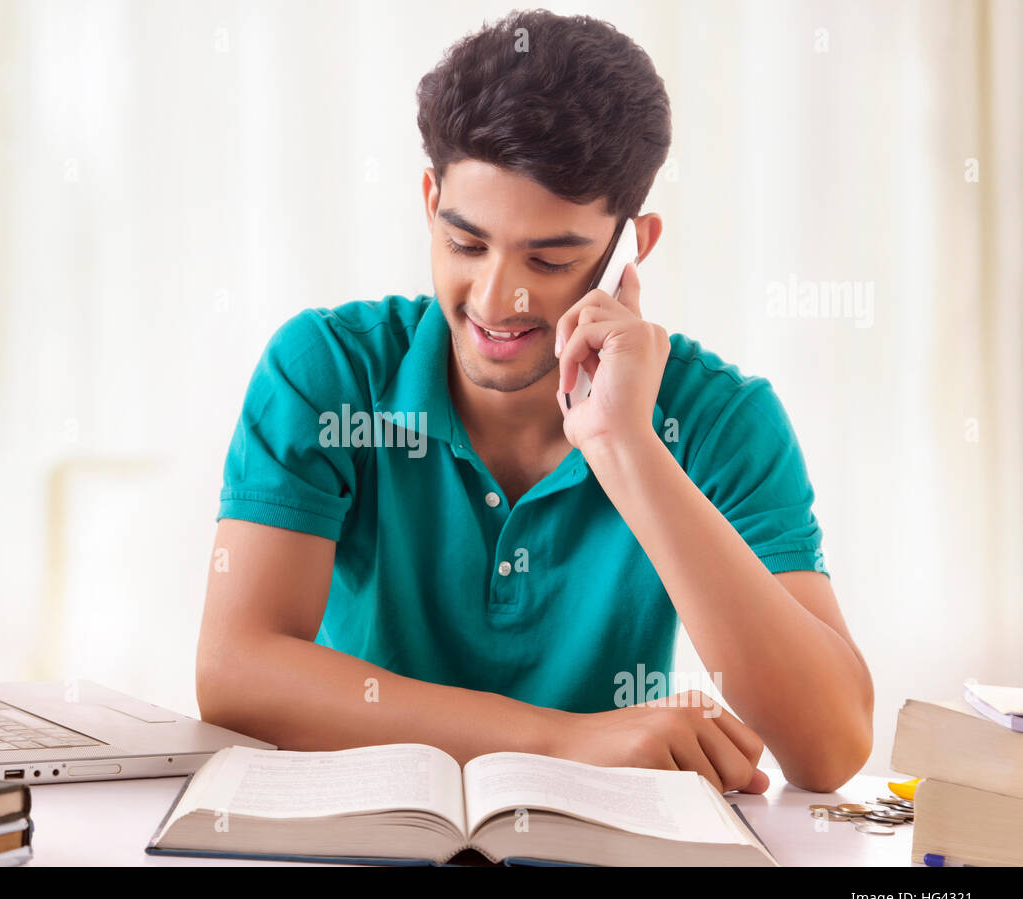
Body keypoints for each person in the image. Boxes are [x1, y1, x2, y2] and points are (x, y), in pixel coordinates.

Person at [196, 9, 873, 794]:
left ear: (631, 248)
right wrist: (560, 741)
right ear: (428, 201)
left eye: (549, 258)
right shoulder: (328, 371)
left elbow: (831, 748)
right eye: (465, 244)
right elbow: (236, 673)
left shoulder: (721, 420)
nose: (493, 300)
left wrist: (627, 447)